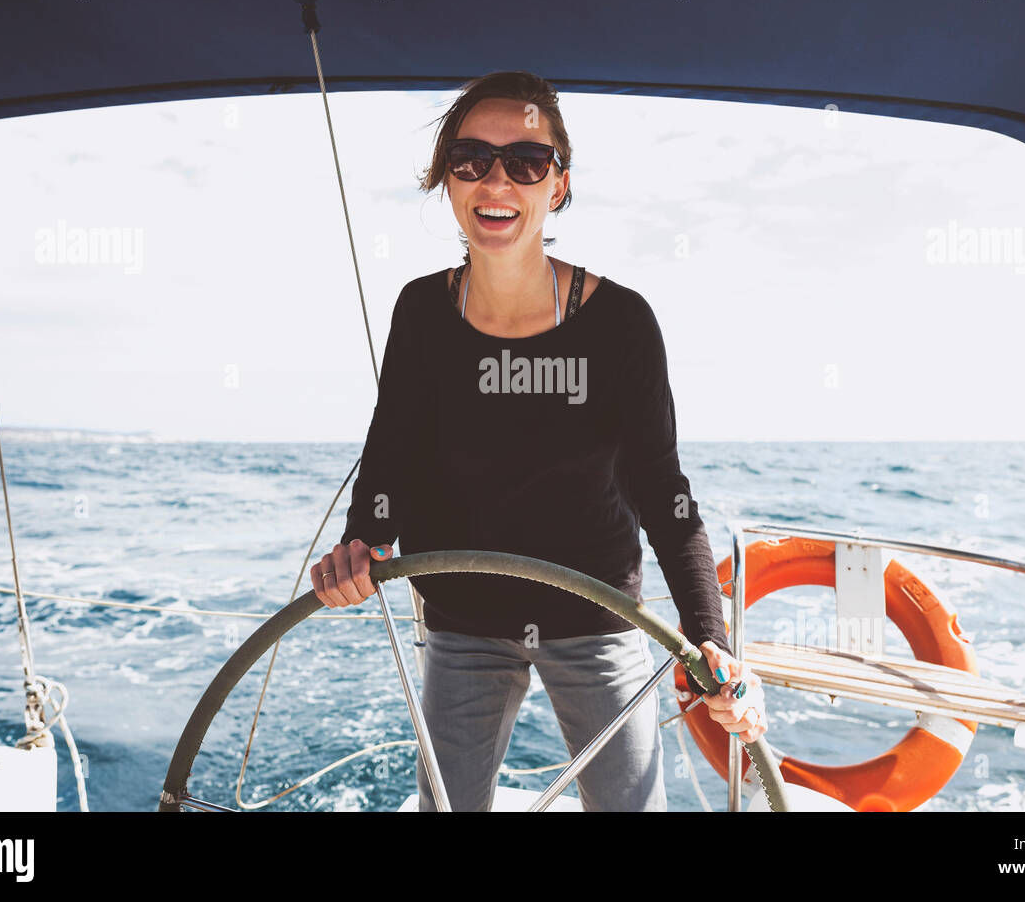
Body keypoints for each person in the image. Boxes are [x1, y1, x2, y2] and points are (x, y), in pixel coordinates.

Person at [312, 70, 766, 811]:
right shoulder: (421, 313)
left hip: (597, 618)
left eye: (526, 160)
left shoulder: (622, 323)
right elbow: (391, 450)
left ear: (557, 185)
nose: (498, 180)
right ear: (446, 180)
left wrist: (708, 633)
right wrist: (364, 541)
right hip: (461, 620)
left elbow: (662, 489)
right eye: (471, 159)